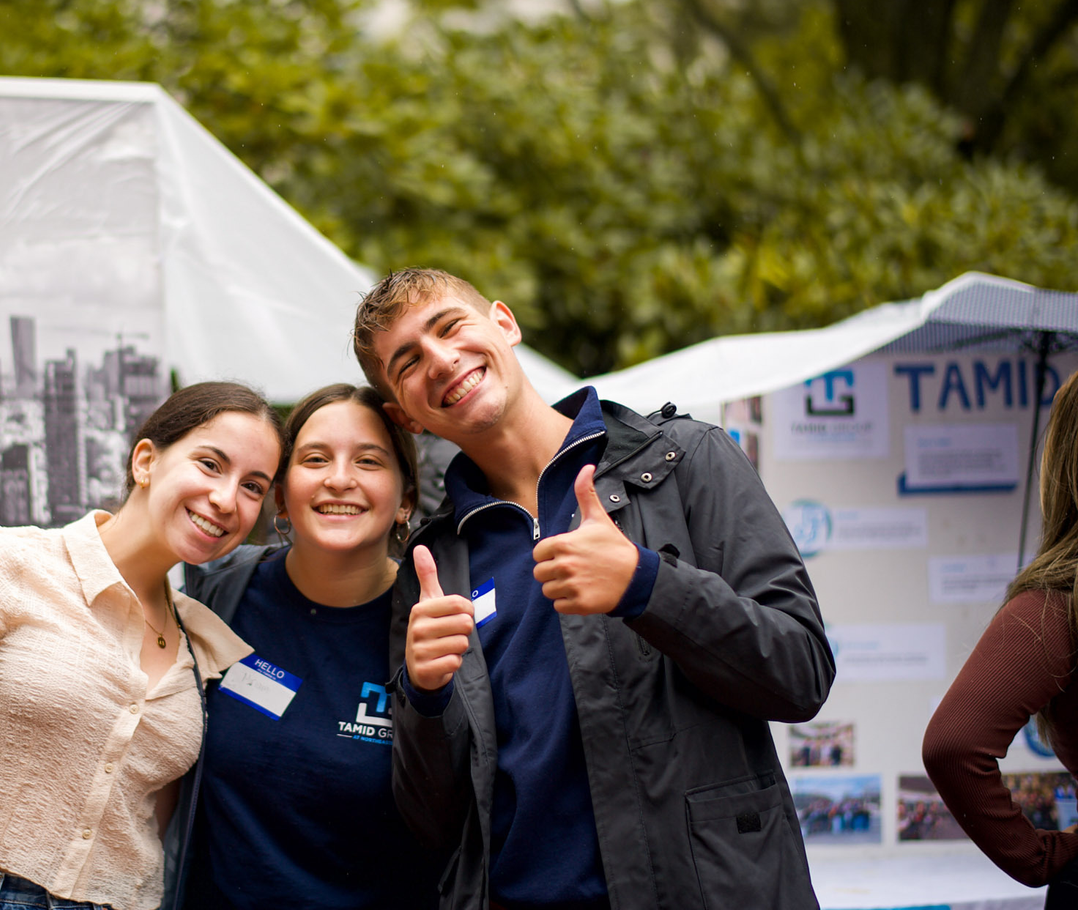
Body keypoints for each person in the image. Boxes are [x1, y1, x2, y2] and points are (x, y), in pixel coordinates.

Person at [351, 268, 835, 910]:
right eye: (408, 362)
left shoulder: (682, 460)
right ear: (404, 415)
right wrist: (425, 698)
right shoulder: (432, 565)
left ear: (504, 323)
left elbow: (801, 674)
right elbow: (432, 824)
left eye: (450, 326)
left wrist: (647, 585)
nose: (440, 360)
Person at [0, 382, 287, 910]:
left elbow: (149, 821)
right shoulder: (7, 566)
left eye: (252, 486)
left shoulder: (200, 641)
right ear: (145, 461)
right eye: (209, 464)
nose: (226, 499)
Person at [170, 384, 441, 910]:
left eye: (368, 461)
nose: (339, 479)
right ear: (281, 495)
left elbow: (457, 814)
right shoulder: (216, 595)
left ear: (405, 500)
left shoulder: (435, 625)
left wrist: (433, 698)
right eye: (315, 459)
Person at [923, 369, 1078, 902]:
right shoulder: (1057, 605)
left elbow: (952, 745)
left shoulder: (1057, 603)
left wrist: (1045, 858)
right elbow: (953, 745)